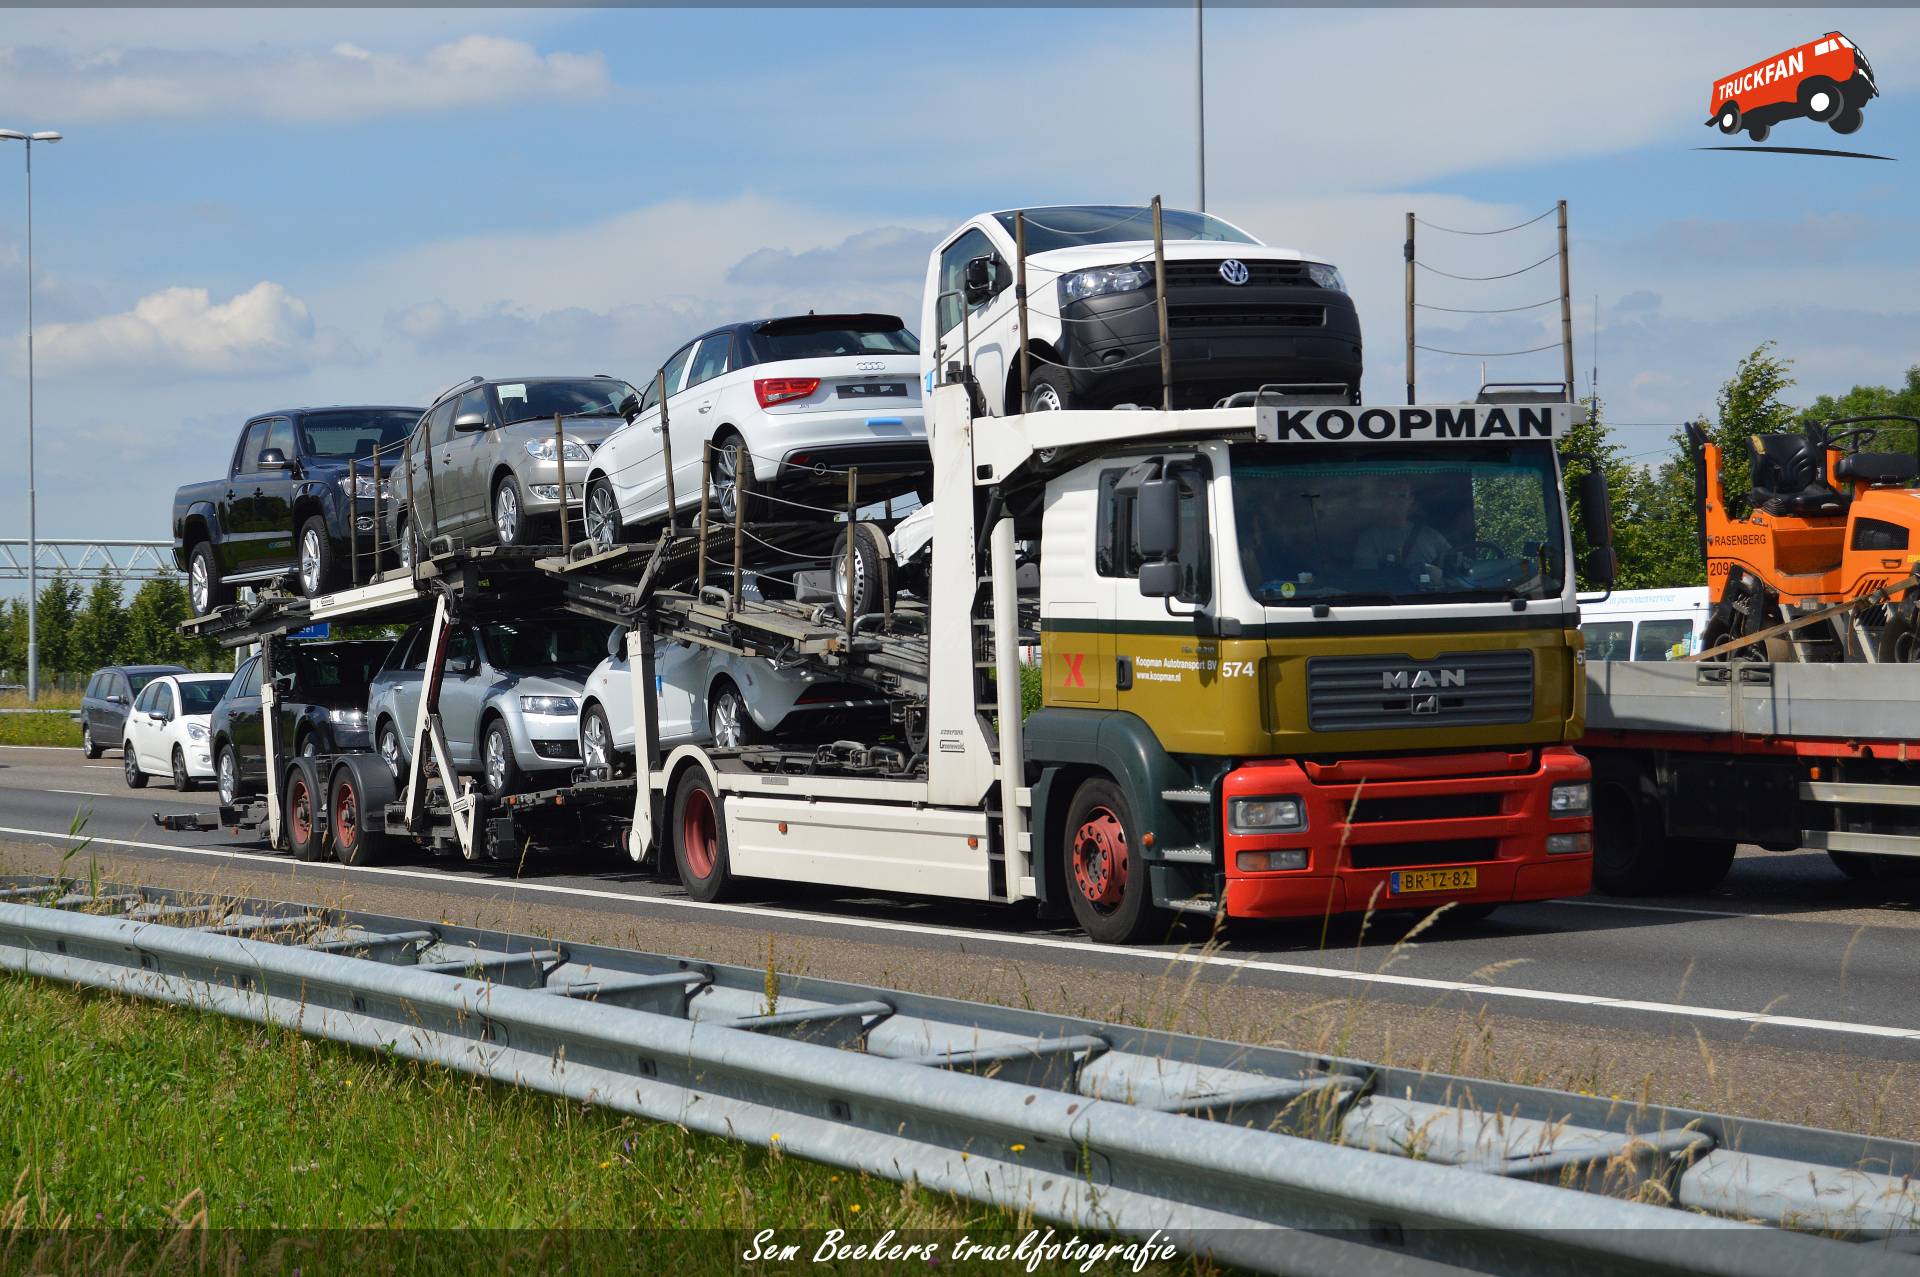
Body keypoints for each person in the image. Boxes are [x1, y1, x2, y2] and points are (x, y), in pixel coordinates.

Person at [1353, 477, 1451, 573]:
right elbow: (1367, 579)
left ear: (1411, 499)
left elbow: (1454, 564)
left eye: (1402, 496)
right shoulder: (1369, 538)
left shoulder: (1431, 535)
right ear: (1383, 499)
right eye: (1390, 495)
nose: (1396, 501)